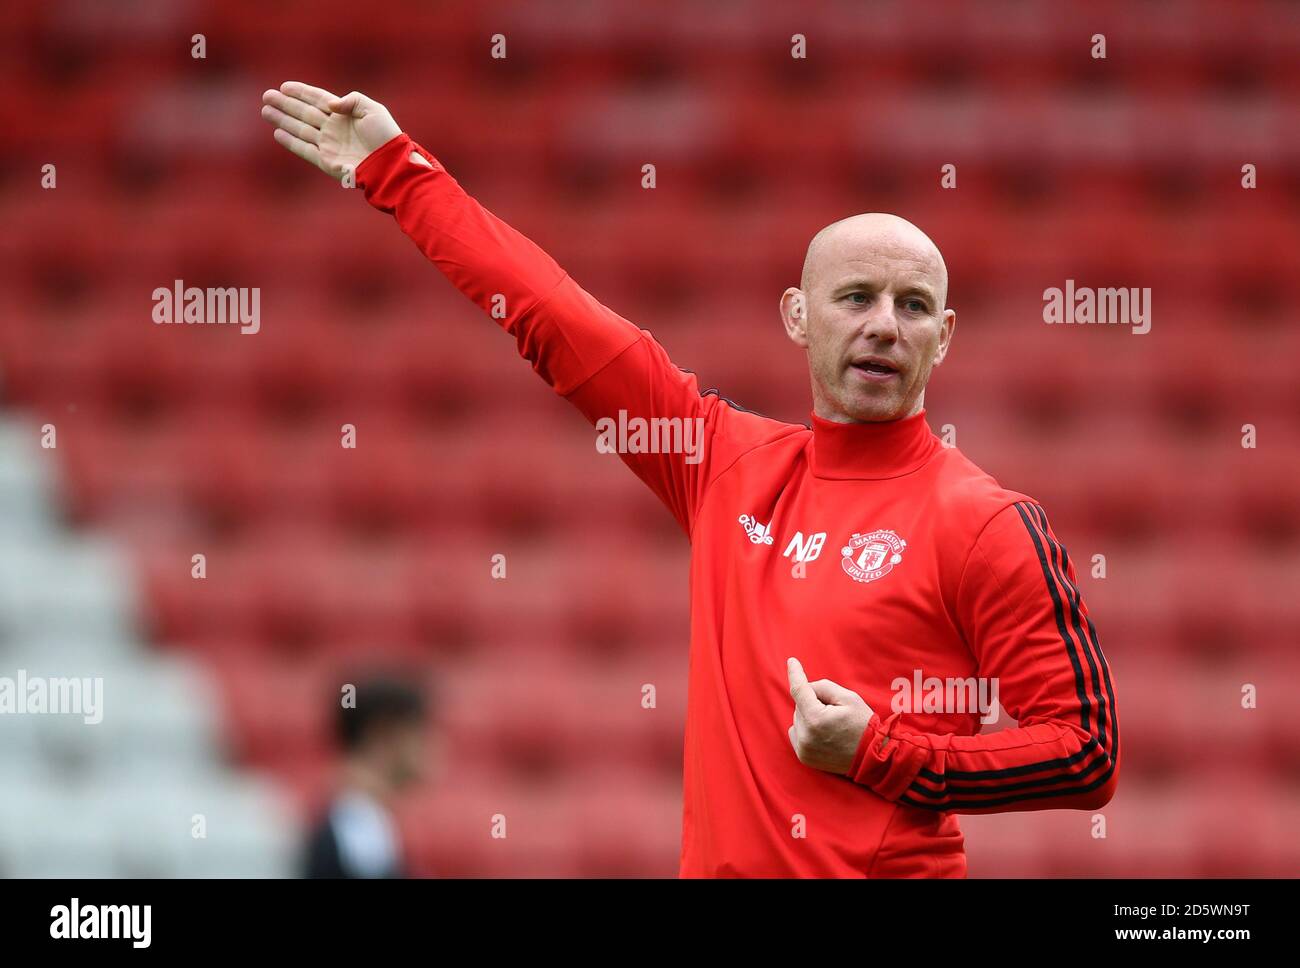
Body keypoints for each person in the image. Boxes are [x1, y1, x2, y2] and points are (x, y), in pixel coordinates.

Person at [263, 81, 1119, 878]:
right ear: (797, 316)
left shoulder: (986, 523)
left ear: (946, 335)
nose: (885, 326)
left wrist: (883, 751)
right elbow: (552, 315)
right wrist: (400, 171)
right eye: (856, 297)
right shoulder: (722, 462)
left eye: (914, 305)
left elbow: (1087, 752)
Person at [302, 676, 427, 878]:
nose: (433, 744)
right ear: (384, 734)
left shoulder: (372, 820)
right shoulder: (357, 826)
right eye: (421, 731)